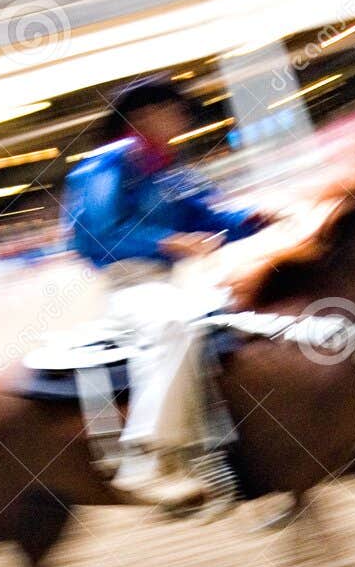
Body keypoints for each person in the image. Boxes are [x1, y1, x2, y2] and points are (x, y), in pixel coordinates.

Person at [62, 78, 270, 516]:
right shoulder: (104, 166)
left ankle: (213, 451)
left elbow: (208, 217)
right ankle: (144, 462)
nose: (182, 118)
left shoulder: (170, 171)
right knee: (174, 324)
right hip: (130, 284)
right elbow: (94, 236)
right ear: (144, 116)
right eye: (173, 110)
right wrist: (165, 242)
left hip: (167, 283)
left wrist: (254, 219)